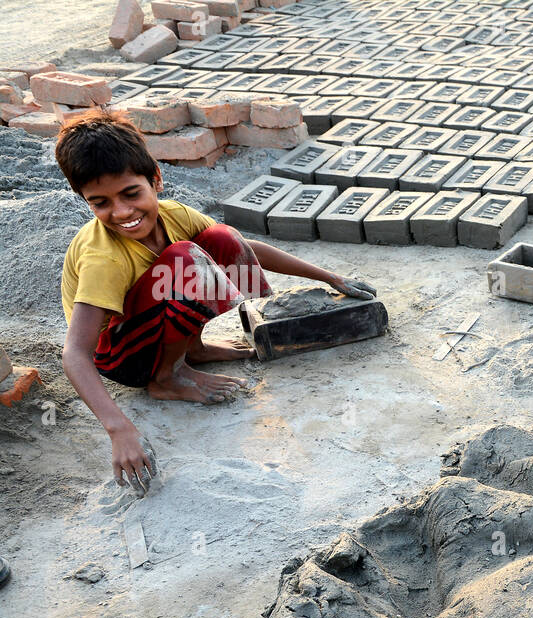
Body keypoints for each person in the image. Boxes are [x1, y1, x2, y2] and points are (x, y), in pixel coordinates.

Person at [55, 109, 375, 495]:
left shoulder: (173, 214)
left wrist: (327, 276)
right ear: (84, 200)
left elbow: (242, 248)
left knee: (222, 239)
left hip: (150, 326)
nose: (121, 212)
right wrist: (118, 429)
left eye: (130, 193)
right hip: (122, 357)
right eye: (100, 203)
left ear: (155, 179)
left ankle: (193, 350)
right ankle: (167, 378)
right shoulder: (103, 258)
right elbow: (75, 354)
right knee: (188, 262)